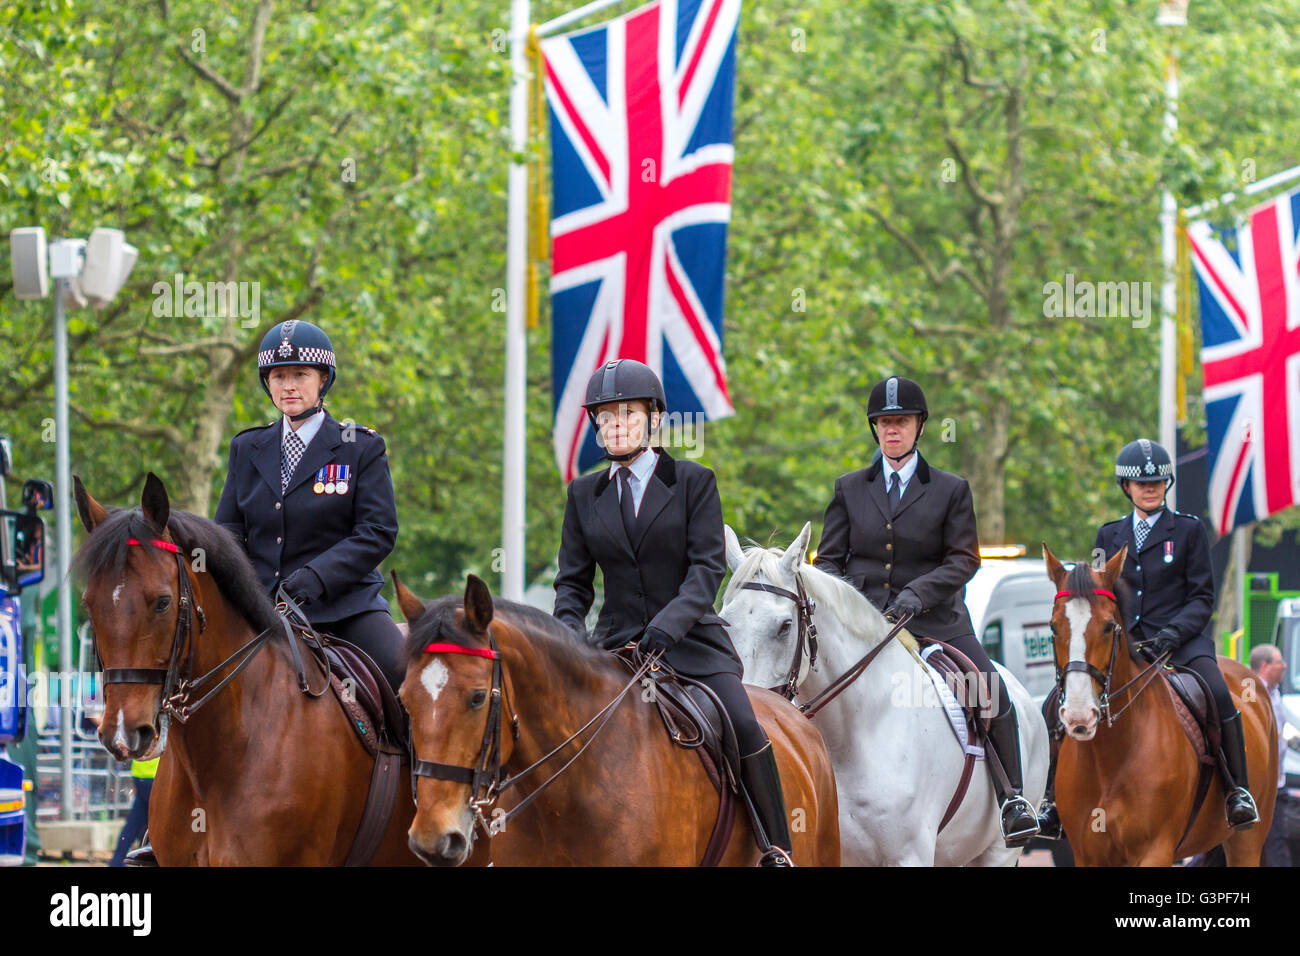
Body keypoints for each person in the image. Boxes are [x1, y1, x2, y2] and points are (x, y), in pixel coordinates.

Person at [553, 359, 795, 866]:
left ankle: (777, 845)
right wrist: (568, 638)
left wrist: (666, 627)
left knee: (745, 725)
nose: (615, 424)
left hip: (691, 644)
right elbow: (573, 583)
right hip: (614, 647)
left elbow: (706, 569)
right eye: (605, 417)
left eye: (627, 414)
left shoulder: (693, 482)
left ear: (654, 420)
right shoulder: (583, 494)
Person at [812, 375, 1039, 847]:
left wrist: (918, 594)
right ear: (875, 429)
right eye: (885, 423)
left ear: (919, 426)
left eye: (902, 422)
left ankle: (1013, 798)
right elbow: (829, 561)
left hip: (938, 623)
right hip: (866, 626)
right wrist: (853, 605)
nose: (893, 430)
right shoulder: (850, 488)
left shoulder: (951, 490)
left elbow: (964, 559)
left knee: (989, 688)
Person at [1037, 439, 1258, 838]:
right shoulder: (1109, 535)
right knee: (1056, 702)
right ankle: (1050, 800)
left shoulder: (1189, 530)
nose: (1150, 488)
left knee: (1218, 691)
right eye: (1142, 484)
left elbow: (1202, 597)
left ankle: (1237, 791)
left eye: (1157, 482)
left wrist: (1174, 633)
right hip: (1126, 643)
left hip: (1183, 642)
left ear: (1166, 484)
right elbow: (1101, 595)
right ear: (1127, 487)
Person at [214, 319, 404, 691]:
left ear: (323, 380)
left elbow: (377, 533)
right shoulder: (246, 448)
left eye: (300, 374)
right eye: (278, 376)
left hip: (345, 608)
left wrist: (314, 579)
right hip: (261, 609)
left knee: (406, 684)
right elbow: (228, 534)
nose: (288, 386)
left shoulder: (360, 447)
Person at [1251, 642, 1290, 865]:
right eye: (1279, 662)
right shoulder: (1249, 691)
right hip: (1259, 785)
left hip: (1277, 782)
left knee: (1277, 840)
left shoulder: (1275, 694)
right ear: (1265, 666)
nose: (1284, 666)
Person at [108, 758, 157, 867]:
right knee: (158, 822)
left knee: (134, 823)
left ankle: (117, 861)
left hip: (139, 774)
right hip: (155, 776)